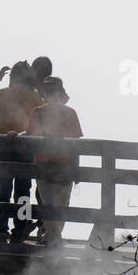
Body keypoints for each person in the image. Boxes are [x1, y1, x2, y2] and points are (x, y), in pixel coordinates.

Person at [0, 61, 44, 243]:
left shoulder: (7, 94)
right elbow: (44, 118)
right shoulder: (35, 98)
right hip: (28, 148)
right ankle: (20, 230)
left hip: (5, 147)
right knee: (24, 193)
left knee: (4, 191)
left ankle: (1, 230)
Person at [28, 76, 82, 246]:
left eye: (53, 91)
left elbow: (76, 144)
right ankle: (55, 240)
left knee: (58, 206)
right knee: (52, 206)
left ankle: (52, 238)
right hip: (48, 166)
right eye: (48, 92)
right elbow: (30, 135)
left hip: (59, 166)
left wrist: (76, 169)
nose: (50, 95)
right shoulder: (39, 113)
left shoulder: (68, 113)